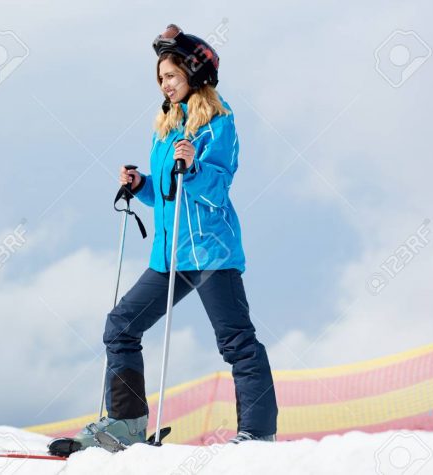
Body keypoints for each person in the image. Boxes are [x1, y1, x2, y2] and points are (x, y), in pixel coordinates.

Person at [57, 24, 279, 454]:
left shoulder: (219, 122)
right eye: (161, 78)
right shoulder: (166, 126)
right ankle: (126, 422)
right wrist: (140, 182)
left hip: (211, 252)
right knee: (120, 326)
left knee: (236, 342)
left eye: (172, 76)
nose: (165, 84)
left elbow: (217, 186)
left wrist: (195, 166)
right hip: (170, 254)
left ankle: (258, 432)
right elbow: (167, 195)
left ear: (195, 75)